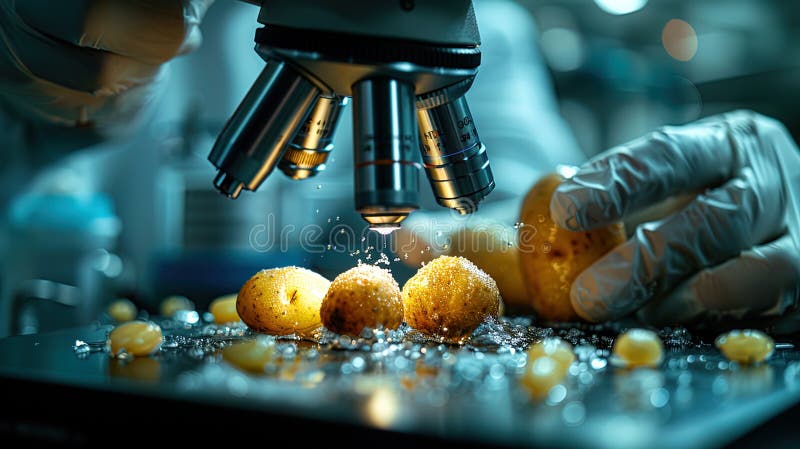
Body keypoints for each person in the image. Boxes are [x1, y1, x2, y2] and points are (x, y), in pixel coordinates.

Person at [1, 0, 798, 330]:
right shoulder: (169, 28)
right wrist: (32, 89)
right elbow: (38, 193)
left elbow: (529, 215)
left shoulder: (501, 38)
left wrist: (657, 227)